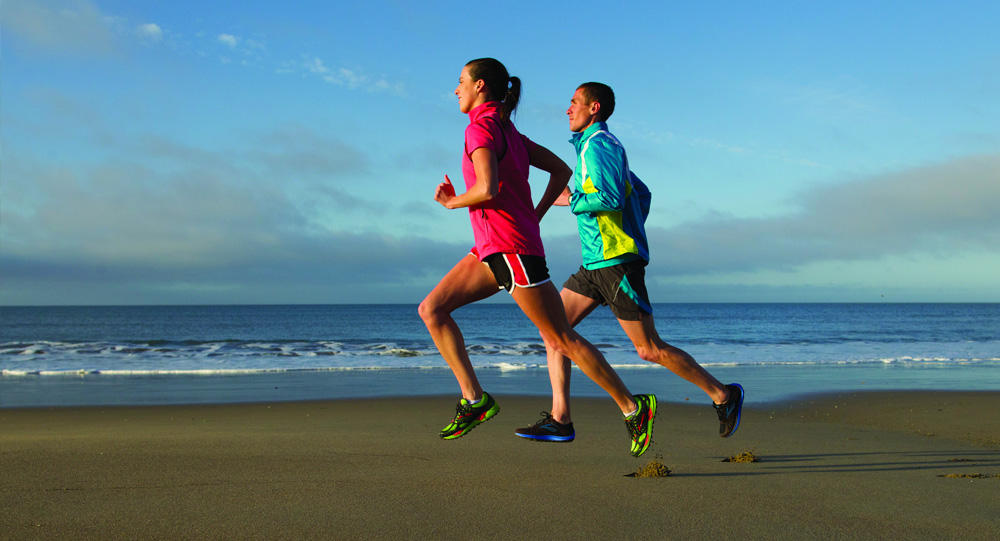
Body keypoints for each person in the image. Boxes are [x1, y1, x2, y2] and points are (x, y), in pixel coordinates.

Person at [419, 60, 657, 458]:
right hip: (493, 248)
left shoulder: (481, 128)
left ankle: (634, 408)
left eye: (460, 82)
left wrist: (451, 202)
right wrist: (536, 213)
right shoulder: (508, 129)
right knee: (432, 309)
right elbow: (561, 169)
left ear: (480, 86)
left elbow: (487, 188)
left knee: (560, 337)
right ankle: (475, 400)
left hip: (510, 249)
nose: (455, 89)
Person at [514, 82, 744, 443]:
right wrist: (628, 229)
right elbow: (641, 194)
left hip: (616, 262)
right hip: (596, 261)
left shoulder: (599, 145)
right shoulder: (601, 146)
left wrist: (573, 202)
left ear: (595, 108)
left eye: (574, 102)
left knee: (648, 348)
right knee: (553, 331)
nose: (567, 109)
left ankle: (723, 395)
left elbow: (606, 197)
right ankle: (560, 419)